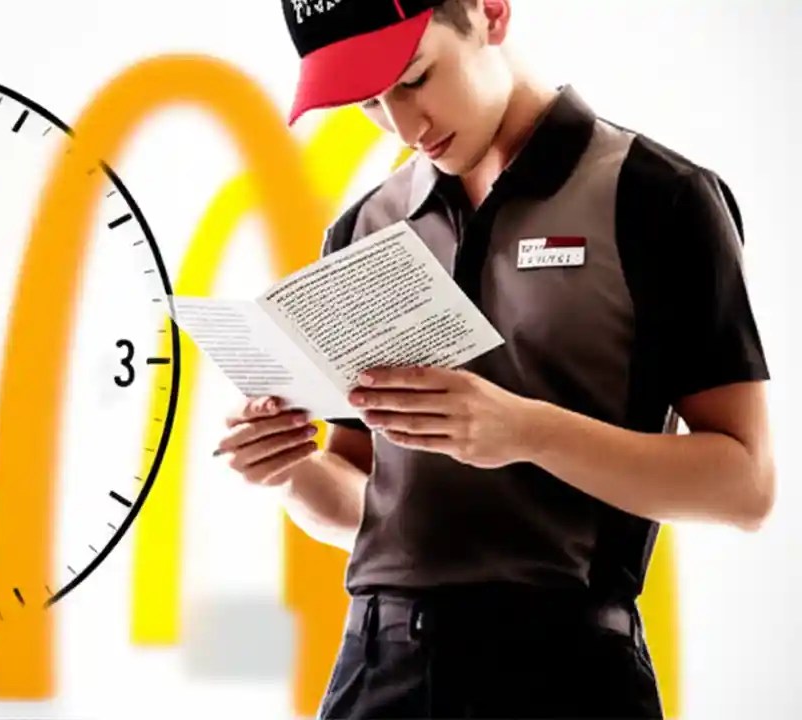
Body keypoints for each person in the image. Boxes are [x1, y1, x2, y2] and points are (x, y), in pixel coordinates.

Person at [213, 1, 776, 717]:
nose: (404, 127)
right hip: (375, 670)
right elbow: (361, 499)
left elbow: (745, 485)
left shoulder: (657, 197)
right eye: (370, 104)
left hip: (564, 671)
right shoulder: (363, 229)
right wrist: (290, 468)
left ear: (490, 13)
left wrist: (527, 432)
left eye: (415, 78)